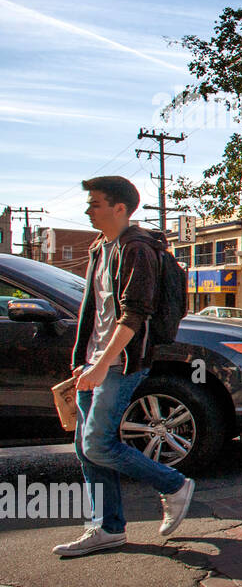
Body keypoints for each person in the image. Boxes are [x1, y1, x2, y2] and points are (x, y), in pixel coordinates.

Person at [53, 176, 195, 557]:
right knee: (86, 449)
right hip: (93, 363)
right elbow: (93, 314)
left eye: (95, 203)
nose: (88, 210)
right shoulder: (102, 247)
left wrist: (101, 365)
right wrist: (84, 362)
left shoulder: (136, 249)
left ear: (120, 208)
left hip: (120, 364)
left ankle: (174, 484)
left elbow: (135, 314)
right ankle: (108, 528)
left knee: (98, 443)